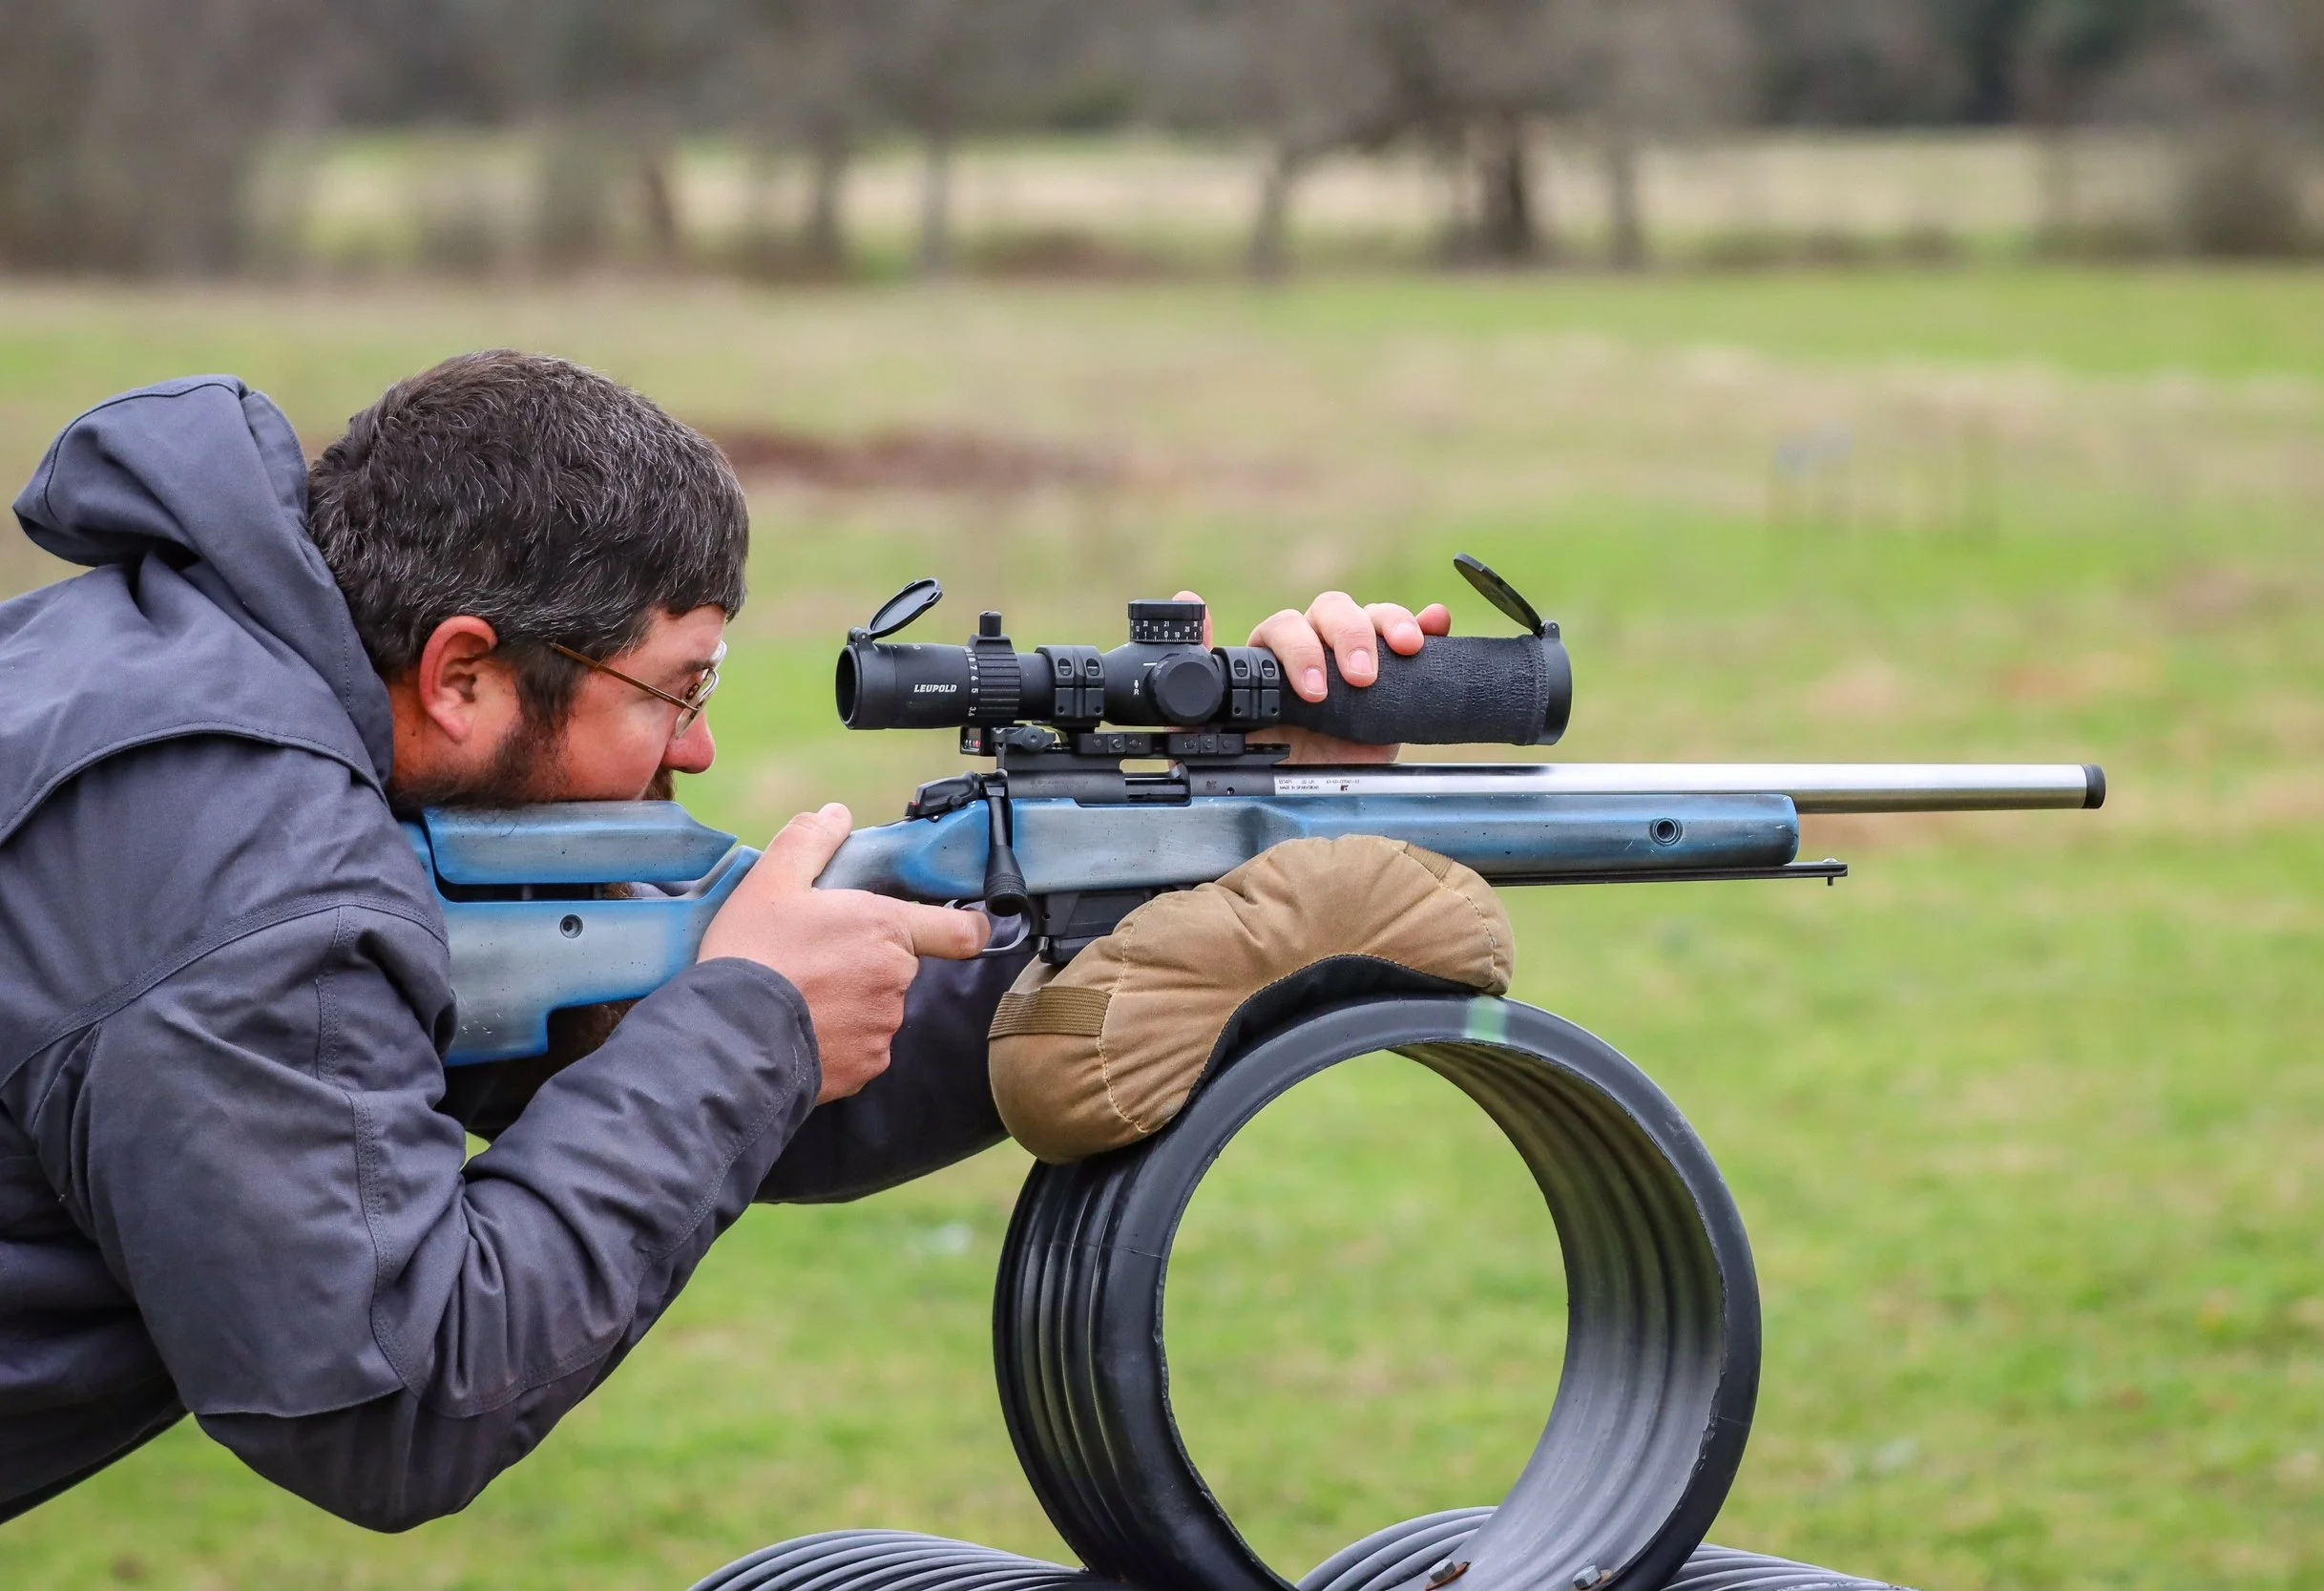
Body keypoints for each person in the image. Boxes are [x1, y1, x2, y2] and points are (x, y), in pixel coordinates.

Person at [0, 353, 1453, 1529]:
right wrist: (748, 1016)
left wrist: (1199, 841)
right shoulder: (249, 876)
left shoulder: (190, 694)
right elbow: (392, 1395)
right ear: (462, 674)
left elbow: (740, 1083)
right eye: (671, 687)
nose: (695, 749)